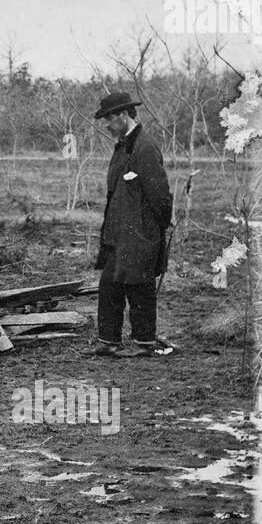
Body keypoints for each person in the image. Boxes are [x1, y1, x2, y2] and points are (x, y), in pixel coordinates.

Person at [92, 91, 174, 357]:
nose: (106, 123)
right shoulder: (123, 145)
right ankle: (108, 341)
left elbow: (160, 194)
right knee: (109, 286)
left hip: (140, 233)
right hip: (119, 234)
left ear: (124, 115)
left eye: (109, 117)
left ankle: (144, 344)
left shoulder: (145, 147)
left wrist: (156, 230)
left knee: (140, 287)